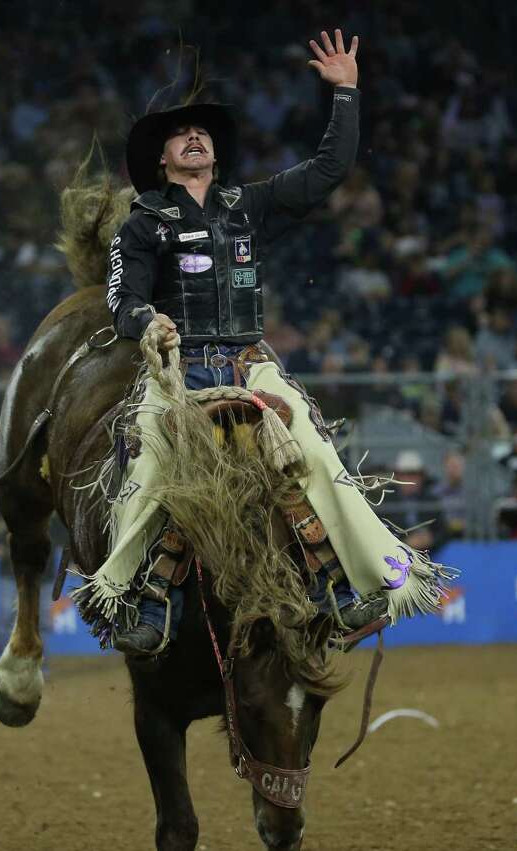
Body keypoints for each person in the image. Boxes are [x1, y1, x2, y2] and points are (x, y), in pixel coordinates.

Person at [92, 31, 449, 656]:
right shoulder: (141, 224)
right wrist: (150, 323)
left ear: (215, 153)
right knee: (148, 465)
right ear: (162, 160)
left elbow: (329, 171)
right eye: (180, 135)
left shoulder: (249, 206)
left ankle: (347, 588)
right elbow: (122, 302)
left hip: (252, 365)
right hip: (176, 369)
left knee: (315, 454)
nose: (194, 137)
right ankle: (137, 601)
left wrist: (345, 93)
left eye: (201, 132)